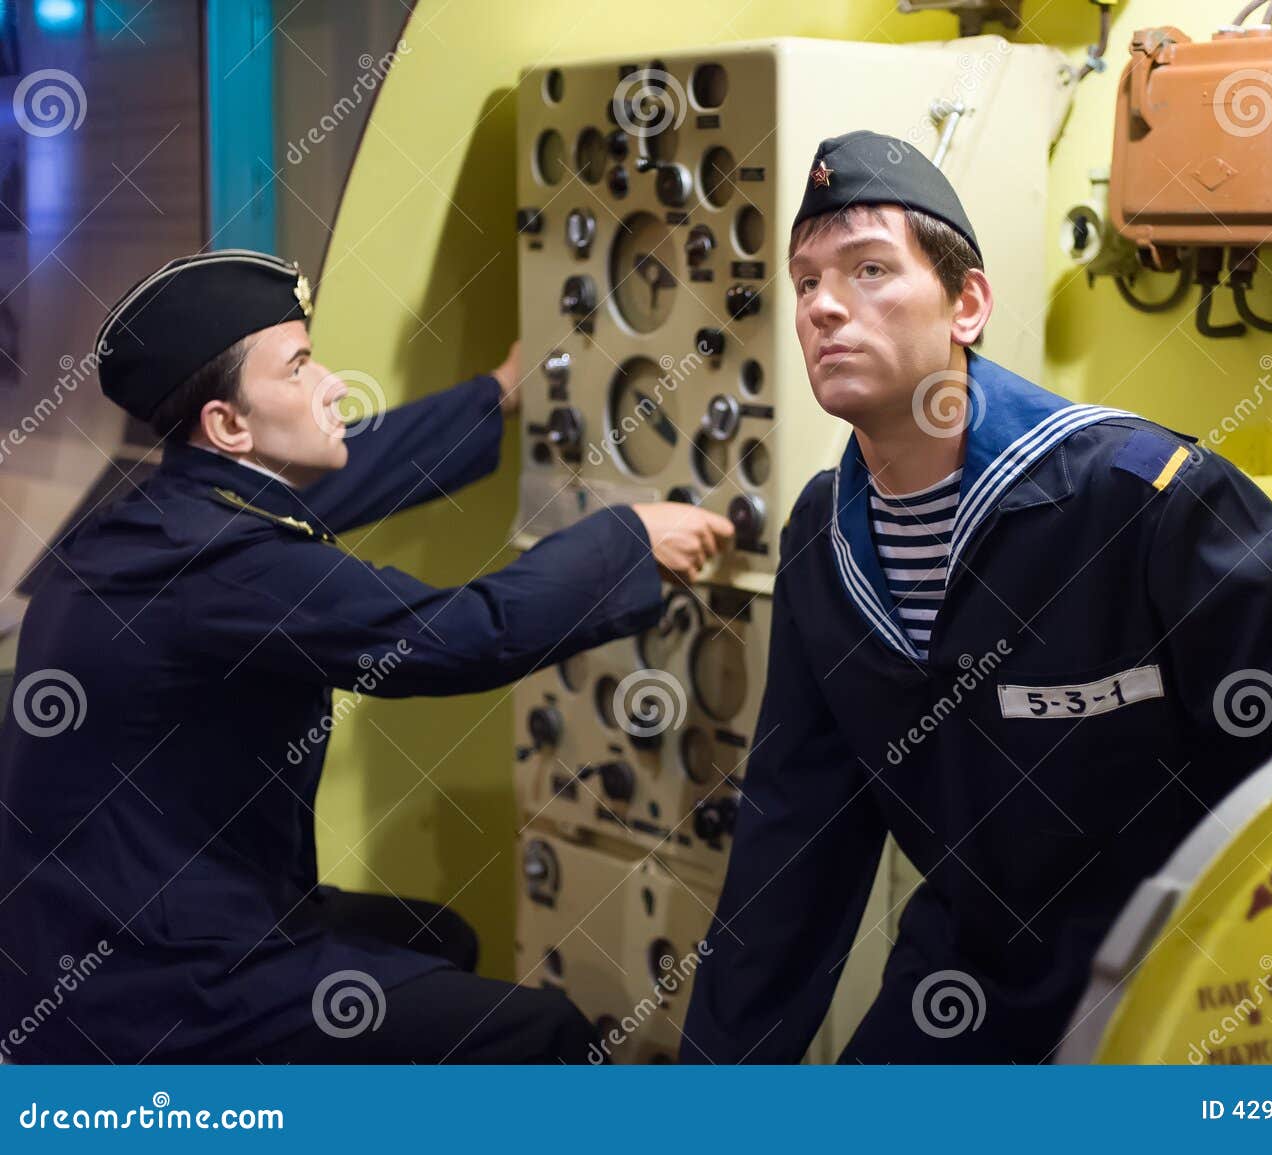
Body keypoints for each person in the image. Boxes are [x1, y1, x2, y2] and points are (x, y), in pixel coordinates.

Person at [680, 132, 1272, 1064]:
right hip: (965, 980)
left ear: (967, 304)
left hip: (1183, 985)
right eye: (806, 280)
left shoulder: (1140, 492)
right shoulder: (823, 538)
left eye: (869, 269)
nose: (823, 305)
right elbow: (794, 839)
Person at [0, 249, 732, 1063]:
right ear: (230, 425)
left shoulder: (166, 515)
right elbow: (462, 635)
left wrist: (496, 393)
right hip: (161, 986)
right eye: (301, 367)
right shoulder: (224, 565)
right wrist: (630, 539)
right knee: (544, 1032)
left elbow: (330, 480)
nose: (336, 387)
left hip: (83, 939)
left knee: (439, 937)